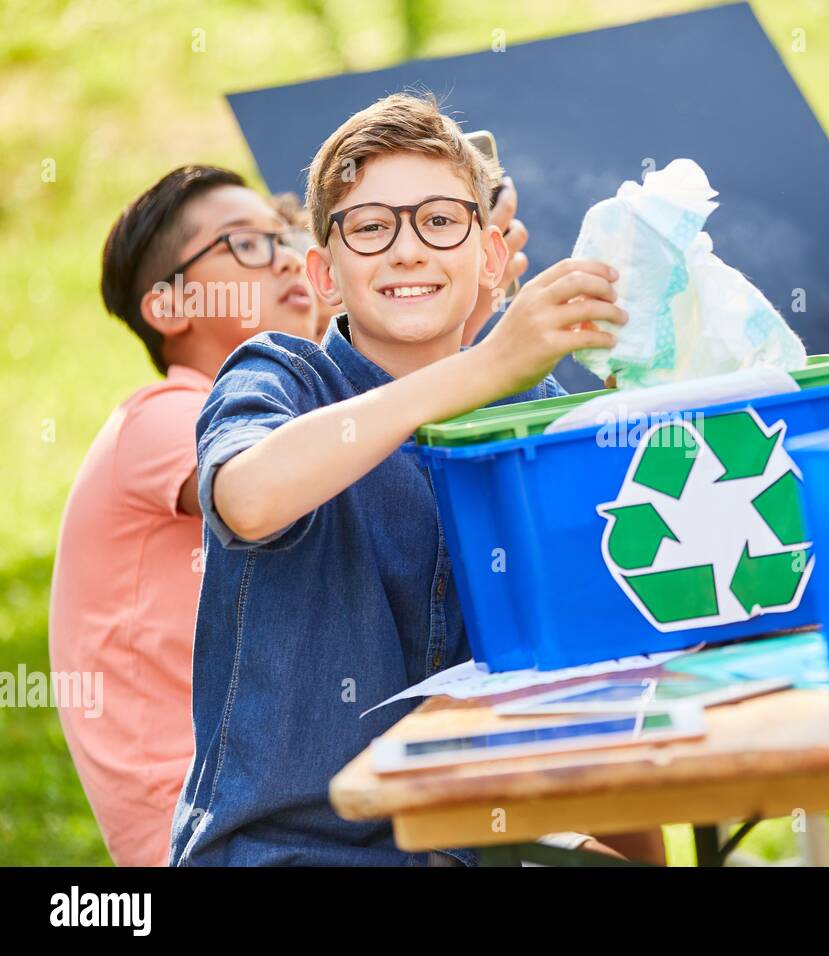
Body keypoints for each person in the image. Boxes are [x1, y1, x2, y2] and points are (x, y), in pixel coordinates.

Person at [169, 92, 627, 865]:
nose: (408, 250)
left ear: (487, 255)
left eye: (440, 221)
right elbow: (247, 498)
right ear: (326, 276)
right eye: (372, 227)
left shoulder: (535, 407)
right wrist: (487, 363)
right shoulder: (281, 376)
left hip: (476, 840)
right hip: (290, 852)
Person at [48, 165, 318, 866]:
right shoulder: (161, 418)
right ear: (168, 306)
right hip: (205, 833)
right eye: (248, 245)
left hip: (280, 802)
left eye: (286, 236)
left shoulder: (300, 416)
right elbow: (291, 484)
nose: (288, 255)